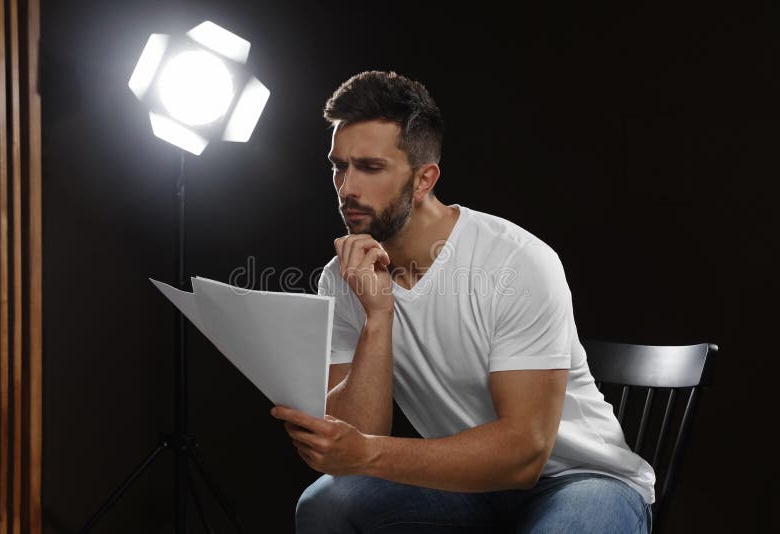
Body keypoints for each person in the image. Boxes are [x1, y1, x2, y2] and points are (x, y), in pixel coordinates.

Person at [270, 70, 655, 533]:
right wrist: (378, 316)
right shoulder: (343, 278)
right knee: (326, 505)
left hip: (582, 480)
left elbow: (524, 455)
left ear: (423, 179)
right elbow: (351, 446)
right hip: (466, 489)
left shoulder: (515, 261)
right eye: (338, 166)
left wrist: (366, 451)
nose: (346, 187)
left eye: (370, 168)